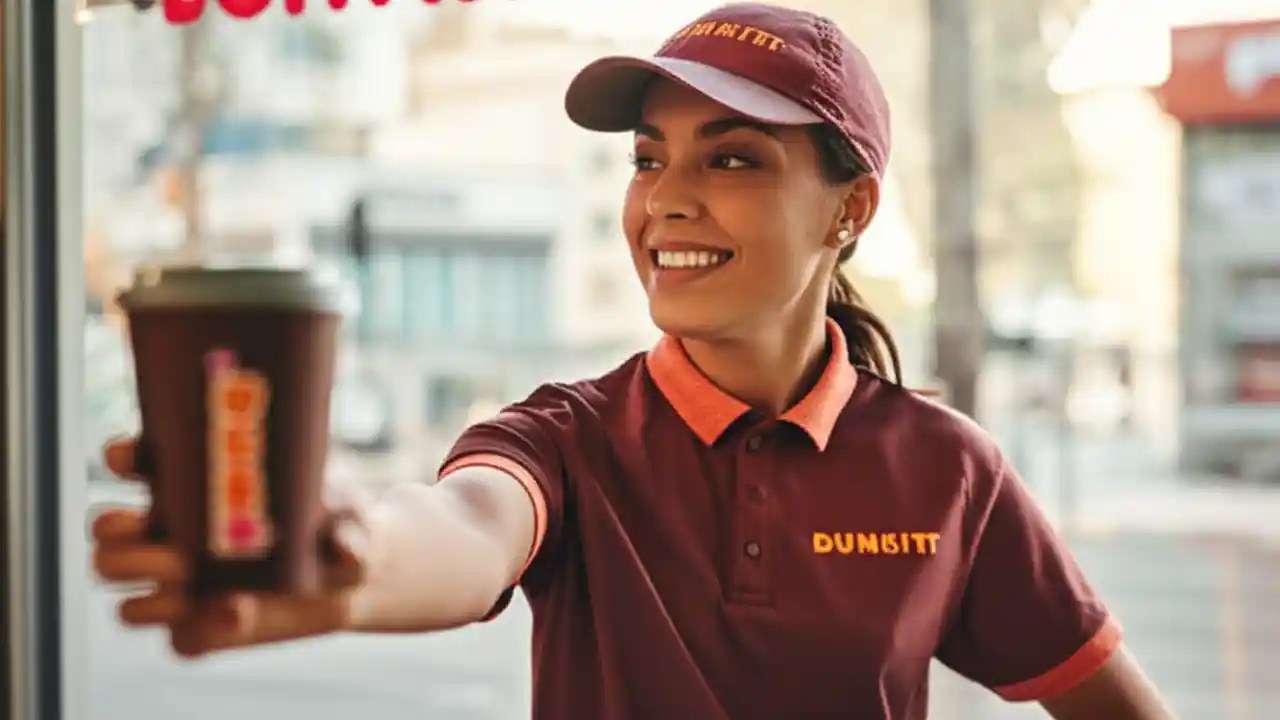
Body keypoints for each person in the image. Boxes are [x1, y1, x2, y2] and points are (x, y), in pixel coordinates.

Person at [91, 3, 1173, 718]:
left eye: (732, 158)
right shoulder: (563, 439)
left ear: (849, 209)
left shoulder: (945, 468)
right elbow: (466, 528)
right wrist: (349, 552)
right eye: (648, 158)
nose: (665, 201)